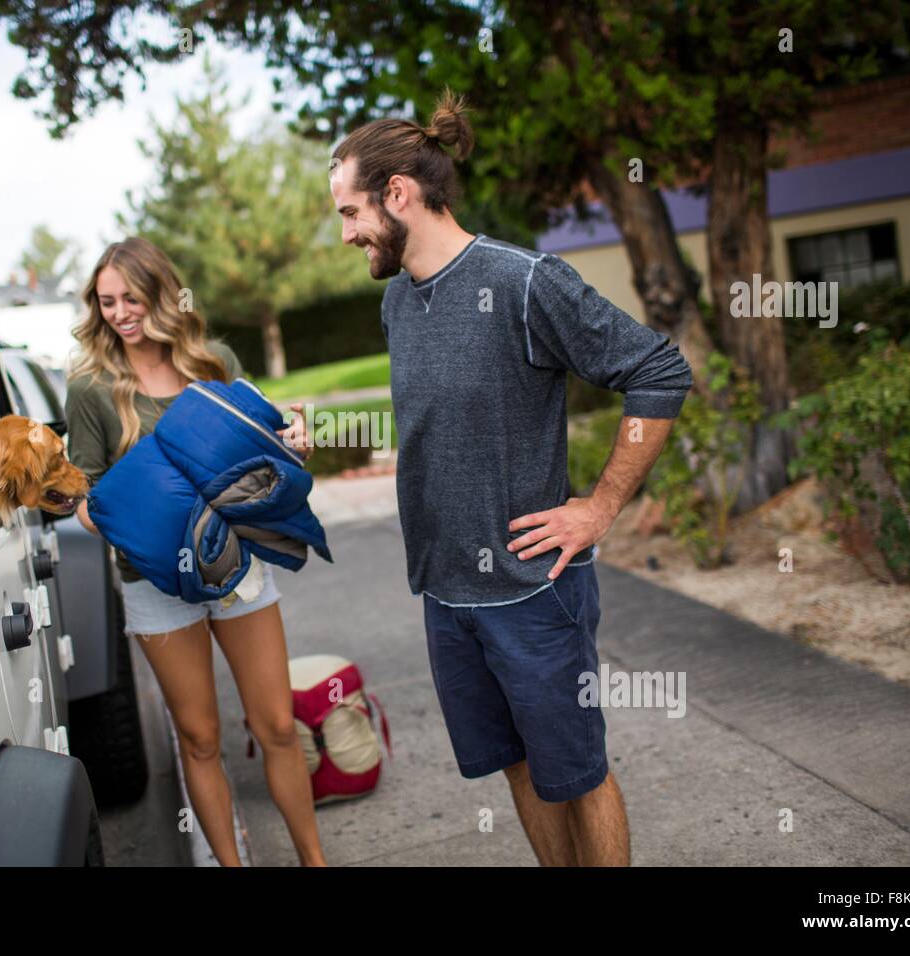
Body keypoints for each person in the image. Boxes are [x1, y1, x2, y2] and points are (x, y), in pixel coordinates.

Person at [329, 91, 693, 866]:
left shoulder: (526, 283)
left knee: (579, 774)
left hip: (533, 591)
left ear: (399, 194)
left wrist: (600, 506)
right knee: (519, 765)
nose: (347, 233)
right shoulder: (397, 301)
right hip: (446, 591)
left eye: (351, 212)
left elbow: (658, 370)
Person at [64, 237, 325, 867]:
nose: (120, 313)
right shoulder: (92, 388)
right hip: (154, 584)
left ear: (161, 296)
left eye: (131, 298)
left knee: (278, 727)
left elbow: (266, 449)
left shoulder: (214, 364)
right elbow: (81, 496)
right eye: (107, 303)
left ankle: (315, 861)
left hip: (238, 566)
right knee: (200, 738)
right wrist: (133, 514)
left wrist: (297, 442)